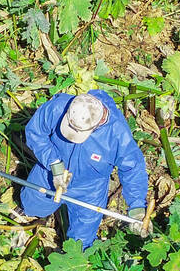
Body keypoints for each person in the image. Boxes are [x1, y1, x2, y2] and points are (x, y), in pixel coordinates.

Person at [13, 90, 149, 246]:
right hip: (50, 173)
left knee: (81, 240)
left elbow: (133, 169)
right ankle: (31, 211)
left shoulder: (117, 134)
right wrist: (54, 164)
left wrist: (137, 208)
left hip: (89, 189)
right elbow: (36, 133)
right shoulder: (58, 107)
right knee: (32, 204)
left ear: (96, 125)